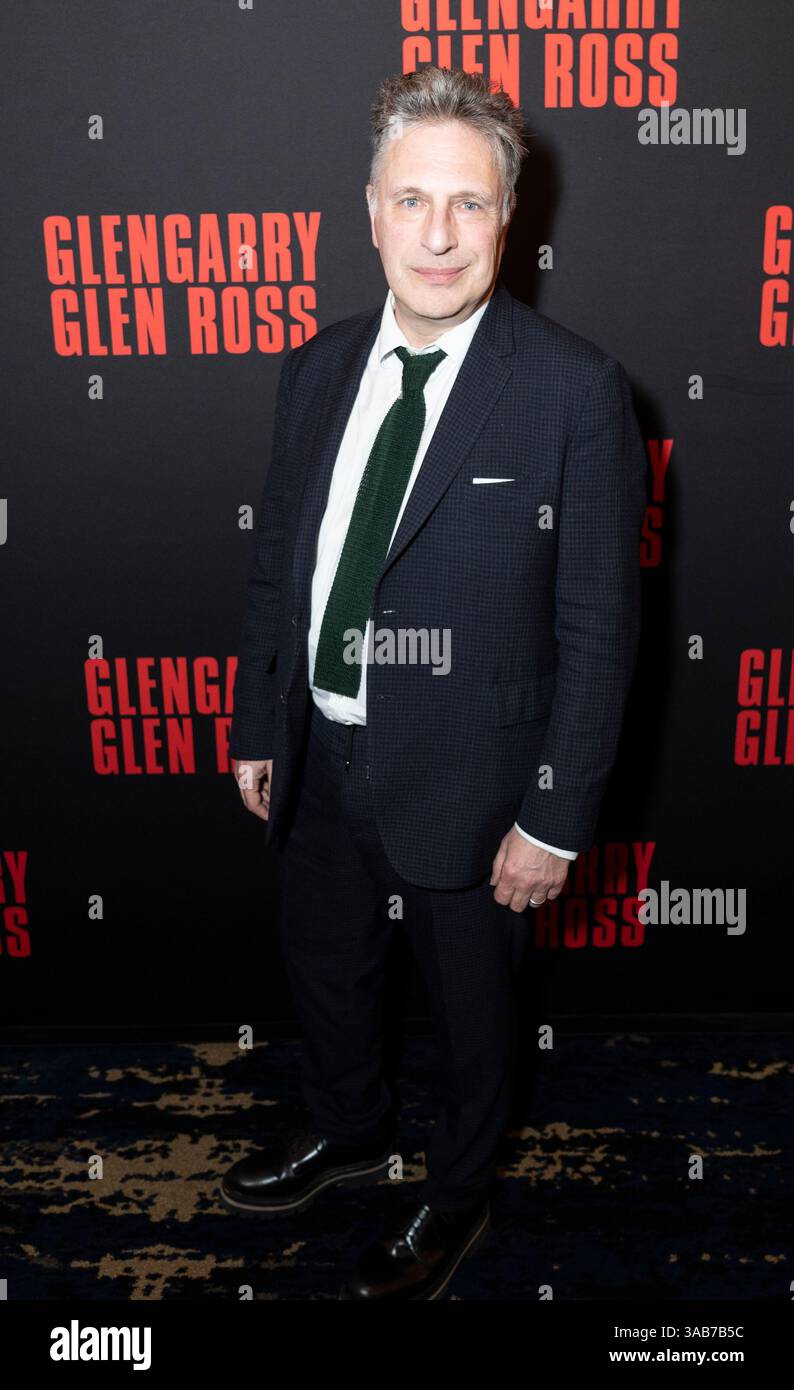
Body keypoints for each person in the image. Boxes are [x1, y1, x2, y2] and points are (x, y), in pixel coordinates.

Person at [220, 65, 647, 1301]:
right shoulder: (316, 367)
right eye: (413, 201)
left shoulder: (572, 390)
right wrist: (261, 717)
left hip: (476, 782)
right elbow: (278, 568)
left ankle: (453, 1199)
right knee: (328, 969)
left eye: (468, 204)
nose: (440, 235)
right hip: (317, 750)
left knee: (473, 1025)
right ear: (369, 211)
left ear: (508, 219)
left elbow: (602, 629)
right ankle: (345, 1127)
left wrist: (554, 817)